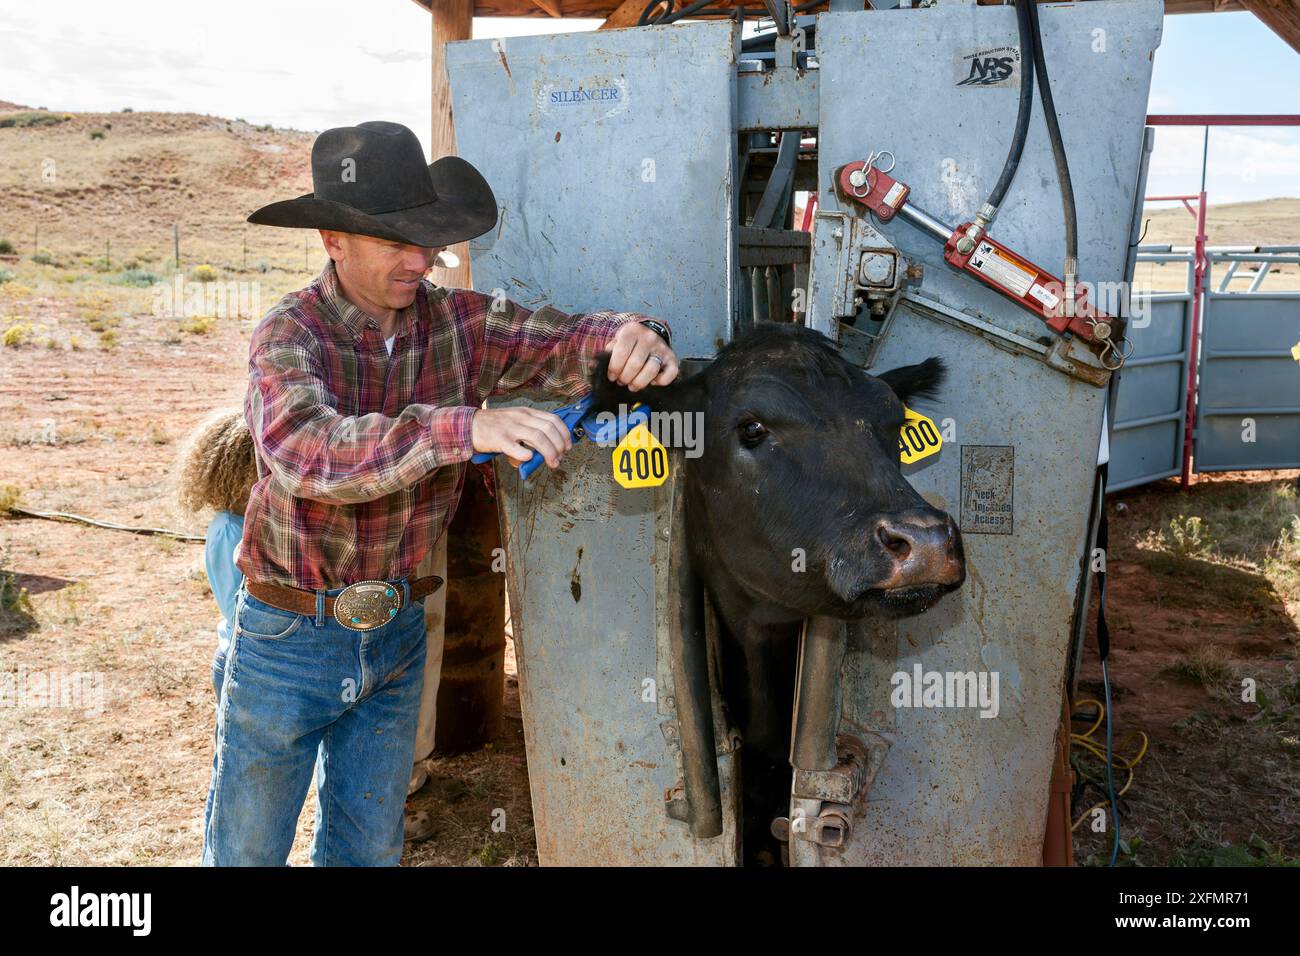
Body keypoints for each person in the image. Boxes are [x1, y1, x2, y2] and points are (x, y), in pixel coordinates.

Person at [202, 120, 680, 866]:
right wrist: (464, 428)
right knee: (248, 848)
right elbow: (308, 453)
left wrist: (631, 333)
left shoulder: (458, 322)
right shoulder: (288, 335)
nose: (420, 260)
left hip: (396, 632)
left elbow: (556, 338)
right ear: (334, 239)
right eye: (396, 242)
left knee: (368, 847)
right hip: (290, 636)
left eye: (427, 241)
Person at [174, 408, 258, 700]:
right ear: (239, 474)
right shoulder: (229, 530)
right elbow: (235, 607)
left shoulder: (249, 523)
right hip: (244, 662)